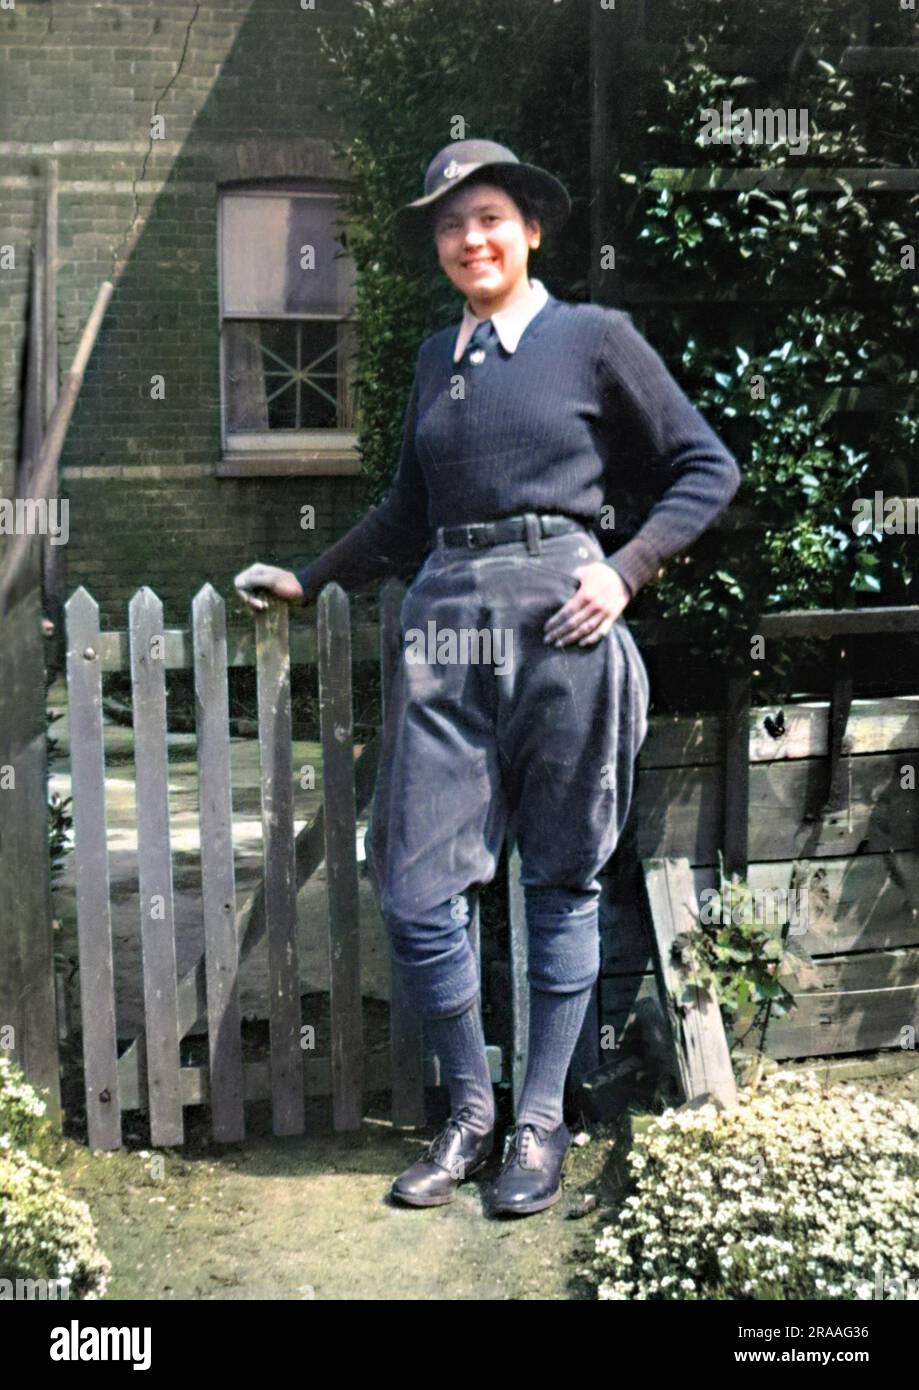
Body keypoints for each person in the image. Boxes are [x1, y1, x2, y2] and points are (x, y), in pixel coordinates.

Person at [235, 138, 742, 1217]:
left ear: (532, 231)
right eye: (452, 225)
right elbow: (404, 516)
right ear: (438, 244)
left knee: (562, 876)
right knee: (416, 885)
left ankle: (540, 1120)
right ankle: (469, 1112)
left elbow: (708, 466)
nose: (472, 239)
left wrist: (625, 569)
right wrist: (306, 575)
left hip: (564, 615)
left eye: (492, 219)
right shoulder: (433, 361)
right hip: (446, 621)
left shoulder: (593, 338)